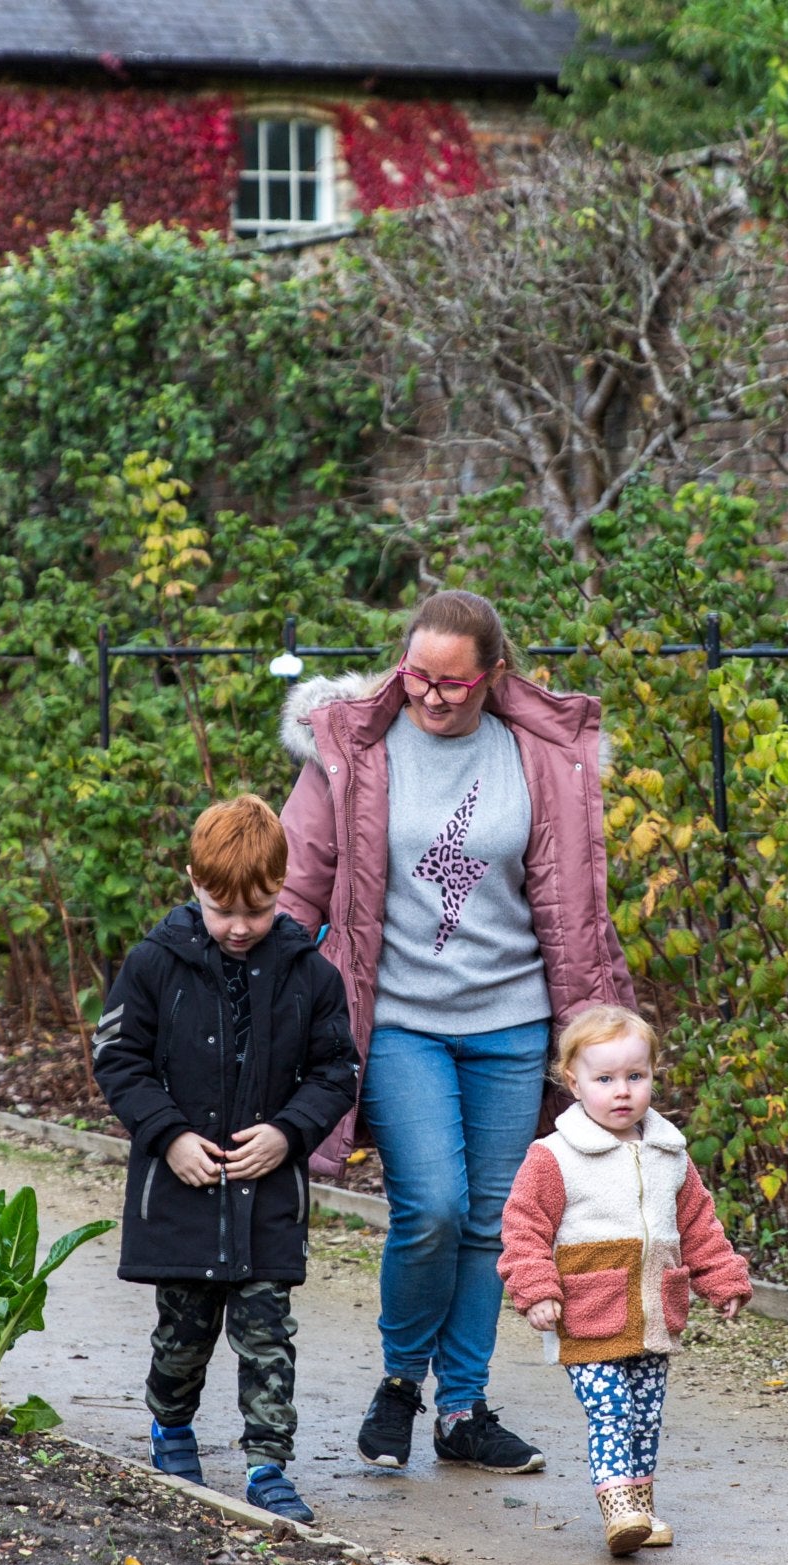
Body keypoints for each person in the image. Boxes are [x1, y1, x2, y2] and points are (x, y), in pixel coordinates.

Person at [277, 589, 638, 1476]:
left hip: (512, 1021)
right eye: (418, 679)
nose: (432, 698)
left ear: (494, 677)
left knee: (491, 1221)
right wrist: (253, 984)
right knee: (431, 1208)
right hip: (398, 1018)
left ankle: (464, 1407)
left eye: (454, 684)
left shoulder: (540, 754)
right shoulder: (354, 750)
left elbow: (572, 894)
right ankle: (401, 1384)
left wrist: (596, 1009)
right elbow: (297, 879)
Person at [91, 795, 360, 1524]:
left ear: (283, 885)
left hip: (267, 1196)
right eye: (221, 909)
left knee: (268, 1336)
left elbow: (338, 1071)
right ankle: (171, 1427)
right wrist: (169, 1135)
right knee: (183, 1336)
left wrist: (289, 1133)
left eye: (260, 907)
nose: (240, 927)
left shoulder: (311, 972)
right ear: (192, 883)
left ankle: (268, 1464)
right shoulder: (153, 964)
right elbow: (117, 1058)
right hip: (181, 1194)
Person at [498, 1004, 751, 1557]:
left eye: (636, 1077)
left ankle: (640, 1507)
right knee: (610, 1410)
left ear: (654, 1076)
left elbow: (699, 1225)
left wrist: (723, 1279)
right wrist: (536, 1290)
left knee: (645, 1414)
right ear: (573, 1083)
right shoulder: (553, 1157)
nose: (622, 1091)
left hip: (657, 1311)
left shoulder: (670, 1154)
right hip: (588, 1313)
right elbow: (523, 1229)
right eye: (605, 1078)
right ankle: (618, 1510)